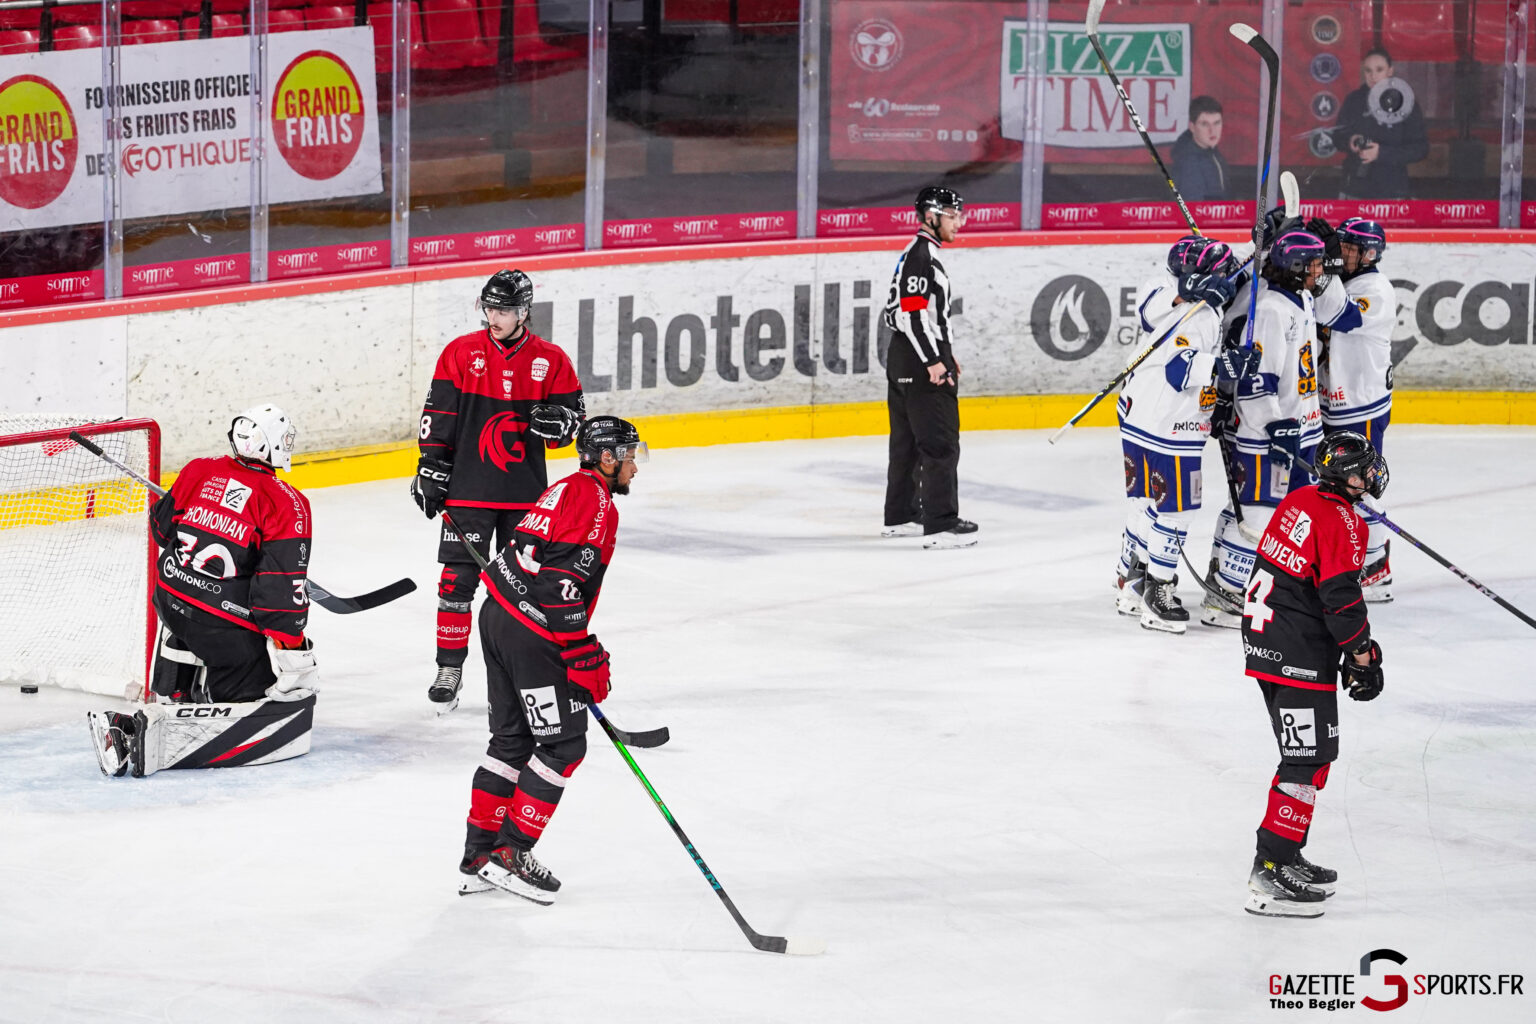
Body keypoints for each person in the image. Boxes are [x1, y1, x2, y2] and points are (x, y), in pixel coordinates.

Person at [456, 416, 646, 903]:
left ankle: (480, 855)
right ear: (606, 457)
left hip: (498, 617)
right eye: (628, 456)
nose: (633, 468)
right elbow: (559, 588)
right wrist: (580, 653)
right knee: (563, 747)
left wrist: (576, 645)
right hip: (532, 635)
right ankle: (510, 854)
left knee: (512, 740)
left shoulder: (561, 488)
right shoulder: (598, 503)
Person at [86, 404, 320, 778]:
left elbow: (163, 532)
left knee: (190, 613)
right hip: (217, 625)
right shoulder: (287, 501)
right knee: (249, 687)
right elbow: (278, 599)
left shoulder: (199, 469)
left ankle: (174, 689)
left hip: (168, 598)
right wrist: (297, 658)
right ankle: (139, 730)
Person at [412, 269, 586, 712]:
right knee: (456, 584)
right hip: (467, 491)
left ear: (524, 311)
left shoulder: (552, 359)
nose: (495, 316)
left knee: (518, 594)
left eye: (504, 309)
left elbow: (573, 422)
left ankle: (508, 680)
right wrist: (431, 466)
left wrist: (562, 425)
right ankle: (448, 669)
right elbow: (438, 413)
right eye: (489, 307)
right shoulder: (460, 352)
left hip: (525, 498)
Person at [1242, 430, 1389, 918]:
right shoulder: (1346, 523)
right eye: (1365, 467)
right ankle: (1271, 868)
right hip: (1295, 647)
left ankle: (1288, 854)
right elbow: (1341, 599)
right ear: (1347, 475)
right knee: (1308, 757)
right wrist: (1362, 654)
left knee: (1306, 754)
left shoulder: (1303, 497)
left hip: (1269, 640)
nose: (1372, 473)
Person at [1115, 235, 1250, 633]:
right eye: (1222, 274)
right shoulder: (1202, 315)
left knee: (1145, 501)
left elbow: (1230, 263)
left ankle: (1133, 584)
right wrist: (1226, 364)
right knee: (1177, 511)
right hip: (1171, 425)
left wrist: (1258, 240)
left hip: (1138, 415)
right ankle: (1159, 595)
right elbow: (1180, 370)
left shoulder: (1166, 285)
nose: (1229, 280)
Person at [1202, 230, 1330, 628]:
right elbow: (1257, 382)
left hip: (1303, 428)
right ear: (1295, 268)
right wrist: (1274, 424)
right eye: (1314, 264)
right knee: (1256, 514)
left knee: (1279, 513)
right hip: (1268, 434)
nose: (1320, 270)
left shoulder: (1303, 299)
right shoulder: (1271, 310)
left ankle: (1233, 579)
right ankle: (1226, 593)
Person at [882, 185, 977, 549]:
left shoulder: (917, 254)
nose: (959, 223)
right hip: (919, 361)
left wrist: (944, 350)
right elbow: (912, 314)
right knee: (940, 442)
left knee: (906, 442)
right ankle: (940, 524)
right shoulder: (922, 256)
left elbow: (919, 315)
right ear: (930, 217)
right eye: (952, 216)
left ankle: (901, 515)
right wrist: (934, 360)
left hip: (903, 358)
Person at [1310, 217, 1396, 601]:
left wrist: (1326, 268)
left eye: (1349, 248)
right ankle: (1350, 559)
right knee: (1336, 488)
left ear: (1369, 253)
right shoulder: (1348, 282)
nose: (1343, 253)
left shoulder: (1375, 289)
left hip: (1361, 406)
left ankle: (1376, 566)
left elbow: (1338, 315)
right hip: (1335, 403)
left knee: (1362, 486)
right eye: (1340, 246)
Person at [1328, 48, 1428, 200]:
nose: (1373, 76)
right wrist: (1351, 141)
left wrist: (1382, 153)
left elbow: (1420, 148)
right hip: (1354, 189)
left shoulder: (1406, 103)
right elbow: (1337, 136)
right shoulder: (1354, 100)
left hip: (1392, 190)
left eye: (1379, 70)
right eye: (1368, 70)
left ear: (1390, 71)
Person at [1170, 96, 1232, 202]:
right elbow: (1195, 208)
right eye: (1204, 124)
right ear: (1192, 127)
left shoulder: (1211, 152)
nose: (1212, 131)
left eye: (1217, 123)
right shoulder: (1189, 161)